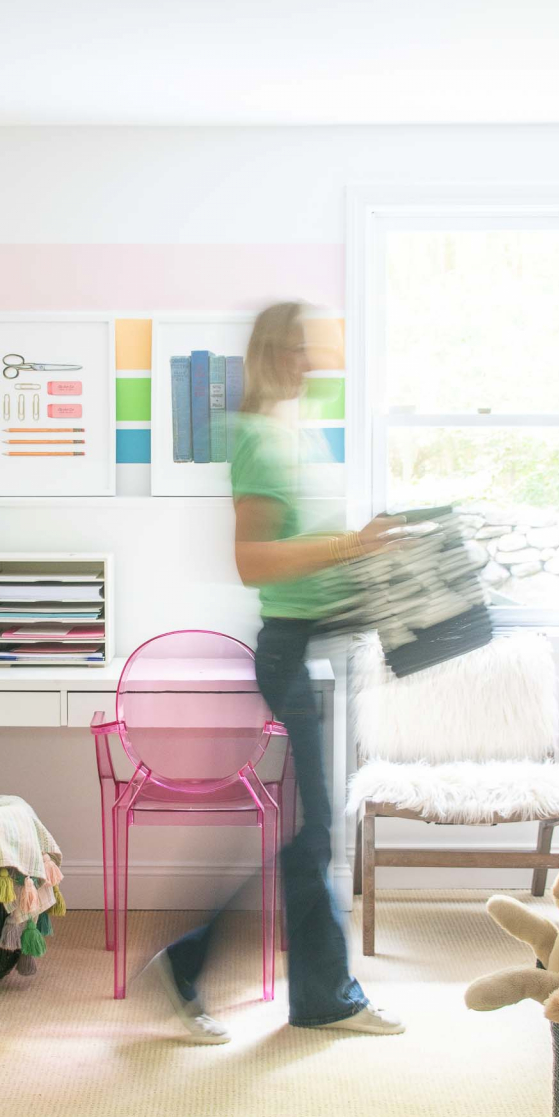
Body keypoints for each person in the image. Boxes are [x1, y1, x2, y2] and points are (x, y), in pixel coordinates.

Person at [140, 301, 410, 1043]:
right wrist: (349, 548)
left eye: (315, 348)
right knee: (311, 832)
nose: (312, 362)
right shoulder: (257, 439)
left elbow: (320, 554)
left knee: (305, 835)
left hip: (325, 647)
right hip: (291, 653)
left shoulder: (303, 436)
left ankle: (209, 968)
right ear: (268, 353)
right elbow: (254, 562)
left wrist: (374, 556)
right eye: (296, 349)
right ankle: (306, 993)